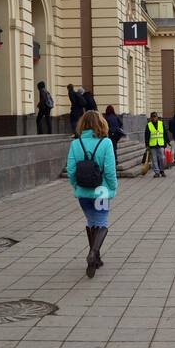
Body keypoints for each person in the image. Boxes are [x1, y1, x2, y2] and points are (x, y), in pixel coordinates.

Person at [67, 111, 118, 278]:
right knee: (101, 222)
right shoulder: (106, 143)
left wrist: (76, 186)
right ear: (101, 124)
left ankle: (96, 257)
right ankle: (92, 253)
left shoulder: (76, 143)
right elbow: (110, 170)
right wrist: (112, 187)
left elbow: (71, 170)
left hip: (83, 191)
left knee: (91, 222)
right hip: (101, 190)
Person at [146, 111, 169, 178]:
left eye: (155, 117)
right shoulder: (149, 125)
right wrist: (147, 145)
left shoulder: (161, 124)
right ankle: (157, 172)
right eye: (152, 117)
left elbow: (165, 133)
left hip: (160, 144)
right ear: (150, 118)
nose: (154, 118)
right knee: (154, 159)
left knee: (162, 158)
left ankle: (162, 170)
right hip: (152, 145)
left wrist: (167, 141)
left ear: (157, 117)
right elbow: (147, 136)